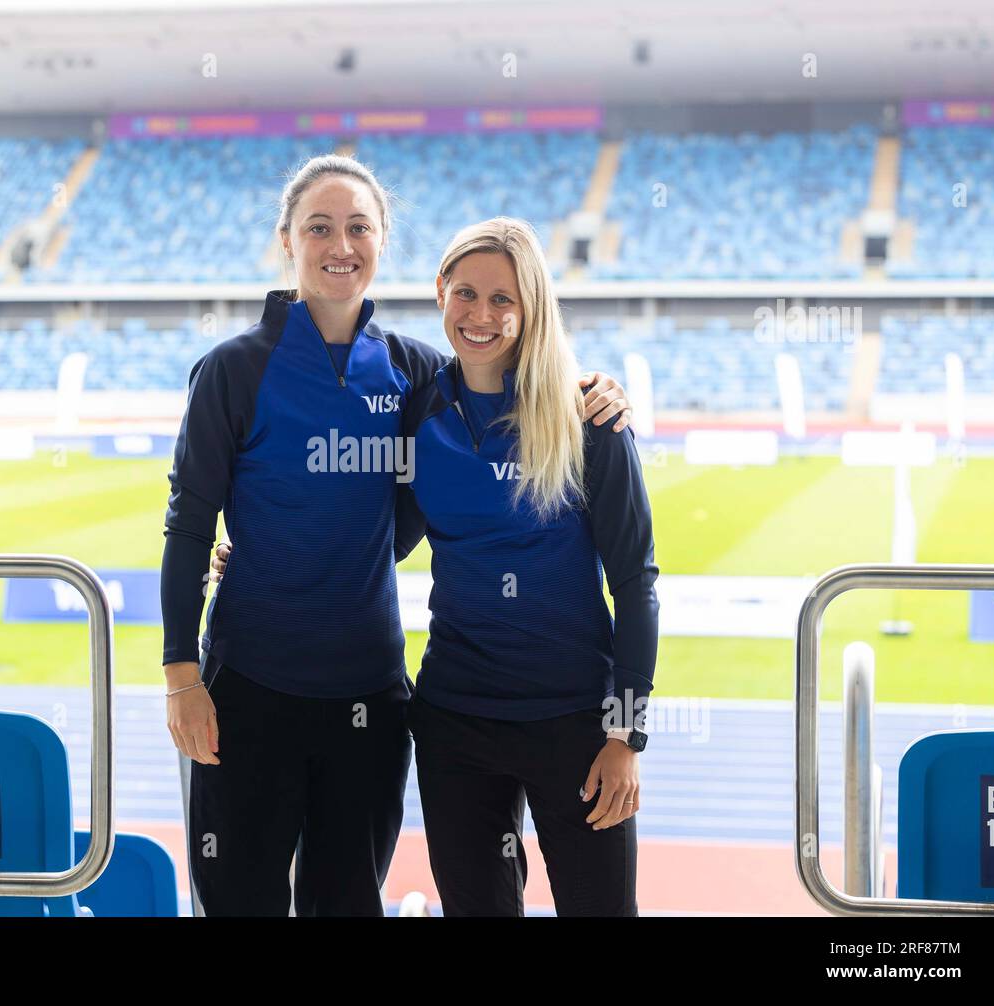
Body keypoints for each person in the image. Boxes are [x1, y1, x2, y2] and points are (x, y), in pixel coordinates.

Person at [162, 154, 633, 917]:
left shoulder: (416, 374)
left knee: (346, 901)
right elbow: (187, 526)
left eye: (358, 227)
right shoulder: (231, 371)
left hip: (370, 700)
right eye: (319, 227)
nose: (338, 244)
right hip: (247, 687)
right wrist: (181, 676)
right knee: (239, 900)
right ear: (288, 238)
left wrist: (595, 387)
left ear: (383, 242)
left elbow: (425, 500)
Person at [400, 218, 659, 916]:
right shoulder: (415, 410)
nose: (481, 315)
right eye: (466, 294)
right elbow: (380, 537)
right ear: (440, 293)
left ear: (532, 307)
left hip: (574, 722)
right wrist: (256, 544)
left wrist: (625, 735)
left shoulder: (589, 420)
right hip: (454, 720)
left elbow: (636, 583)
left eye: (503, 300)